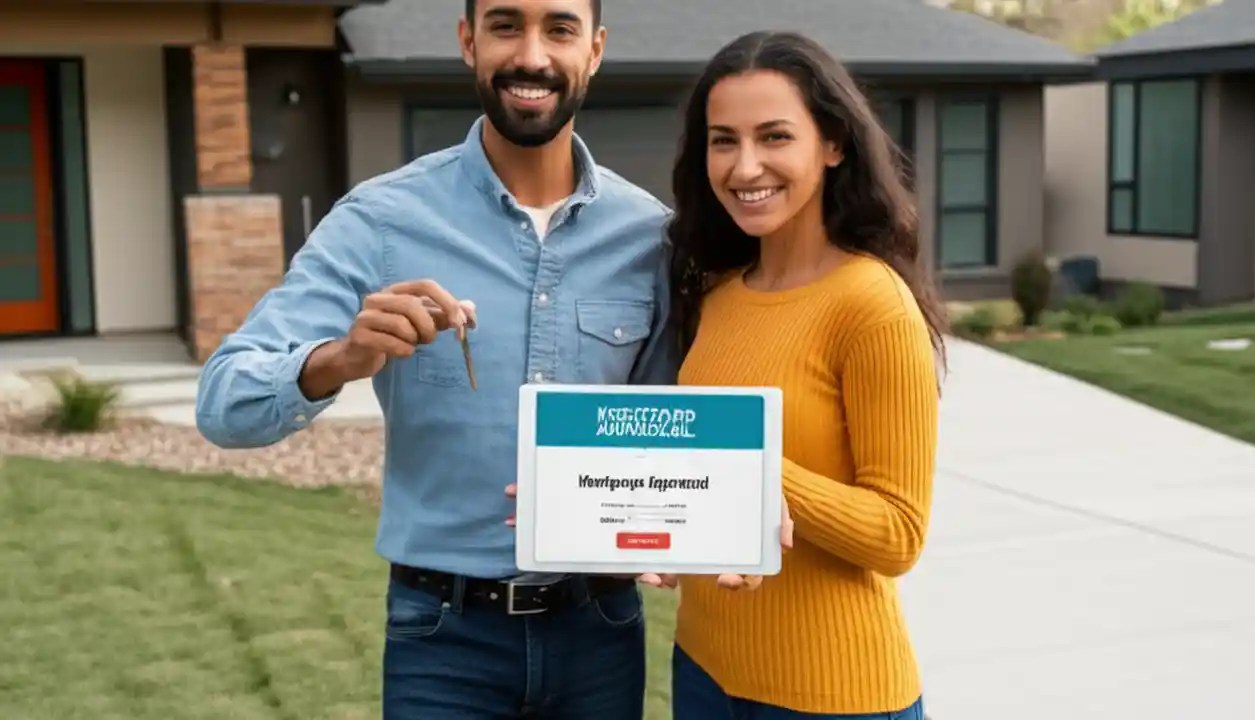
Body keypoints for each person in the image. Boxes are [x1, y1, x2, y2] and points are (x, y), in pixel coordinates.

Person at [194, 0, 678, 717]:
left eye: (560, 29)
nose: (532, 55)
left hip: (599, 633)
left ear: (595, 50)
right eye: (505, 26)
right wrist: (342, 357)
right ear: (467, 41)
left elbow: (673, 429)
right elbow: (223, 404)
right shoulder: (380, 220)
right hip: (444, 640)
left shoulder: (651, 238)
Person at [660, 30, 946, 719]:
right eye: (723, 141)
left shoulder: (871, 304)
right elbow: (701, 475)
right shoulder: (717, 294)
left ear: (833, 143)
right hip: (704, 671)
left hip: (832, 692)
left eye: (774, 137)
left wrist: (748, 465)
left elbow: (898, 532)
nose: (745, 165)